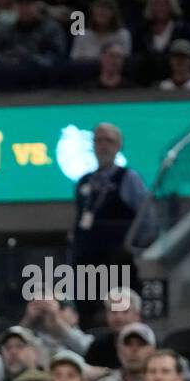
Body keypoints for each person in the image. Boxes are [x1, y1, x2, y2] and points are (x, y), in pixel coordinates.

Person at [70, 123, 148, 325]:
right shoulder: (84, 182)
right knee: (88, 318)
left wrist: (133, 248)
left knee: (120, 315)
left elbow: (146, 216)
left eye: (109, 141)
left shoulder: (128, 178)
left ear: (118, 146)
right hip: (87, 265)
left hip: (117, 264)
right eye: (98, 140)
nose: (103, 146)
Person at [88, 322, 154, 381]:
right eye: (128, 344)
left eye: (141, 344)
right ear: (118, 349)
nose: (134, 350)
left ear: (152, 350)